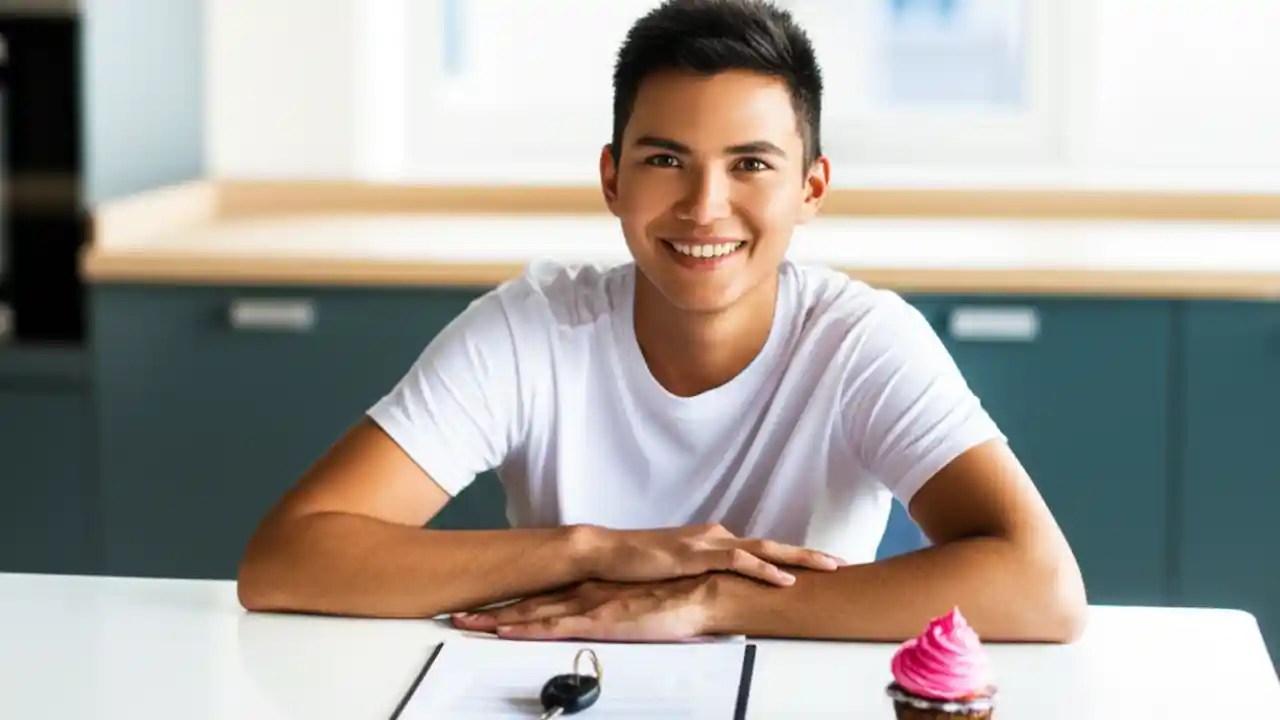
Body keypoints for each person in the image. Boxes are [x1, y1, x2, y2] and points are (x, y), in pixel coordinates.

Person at [237, 0, 1086, 643]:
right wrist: (593, 551)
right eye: (664, 160)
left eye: (750, 164)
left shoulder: (860, 340)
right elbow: (287, 560)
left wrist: (709, 598)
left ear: (811, 188)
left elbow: (1042, 586)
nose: (704, 207)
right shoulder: (531, 330)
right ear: (611, 178)